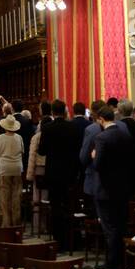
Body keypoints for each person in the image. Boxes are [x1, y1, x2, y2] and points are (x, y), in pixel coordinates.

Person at [92, 106, 135, 269]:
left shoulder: (102, 137)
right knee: (121, 226)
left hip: (106, 190)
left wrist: (94, 156)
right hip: (123, 188)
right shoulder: (126, 135)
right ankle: (124, 265)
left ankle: (112, 267)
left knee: (110, 229)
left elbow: (98, 165)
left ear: (101, 119)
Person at [38, 99, 81, 252]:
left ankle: (58, 241)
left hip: (54, 173)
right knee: (69, 206)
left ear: (52, 112)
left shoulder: (48, 128)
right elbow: (78, 149)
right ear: (64, 111)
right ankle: (71, 240)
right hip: (70, 172)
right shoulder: (73, 128)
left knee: (55, 207)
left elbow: (41, 150)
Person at [0, 114, 24, 226]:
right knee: (16, 196)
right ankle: (16, 223)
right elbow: (22, 152)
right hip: (17, 168)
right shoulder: (19, 138)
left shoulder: (1, 138)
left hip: (4, 168)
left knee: (4, 197)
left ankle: (6, 224)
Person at [79, 101, 105, 215]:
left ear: (94, 113)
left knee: (93, 212)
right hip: (113, 177)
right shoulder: (120, 126)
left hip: (94, 175)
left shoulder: (91, 129)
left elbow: (84, 156)